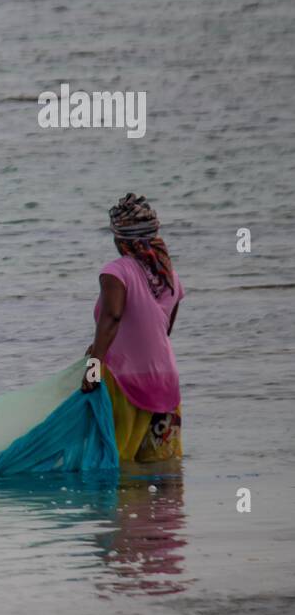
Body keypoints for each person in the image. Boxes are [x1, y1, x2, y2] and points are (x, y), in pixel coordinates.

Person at [81, 194, 183, 462]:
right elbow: (161, 330)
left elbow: (112, 317)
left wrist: (94, 368)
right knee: (162, 469)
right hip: (166, 380)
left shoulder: (116, 272)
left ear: (120, 239)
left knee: (120, 463)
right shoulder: (170, 275)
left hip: (127, 382)